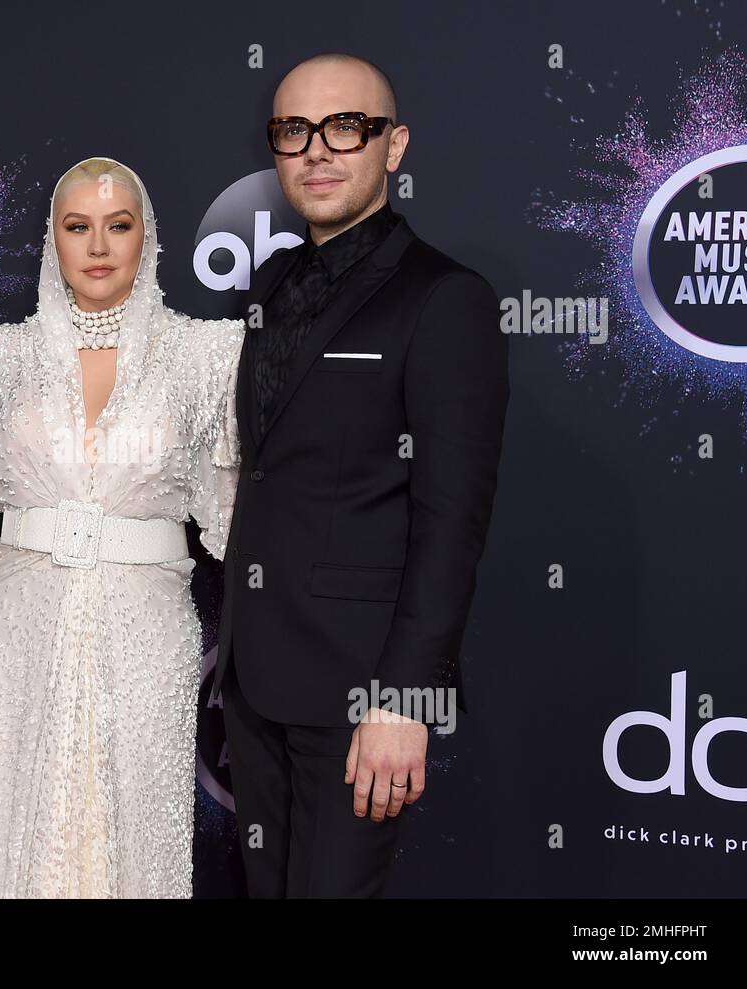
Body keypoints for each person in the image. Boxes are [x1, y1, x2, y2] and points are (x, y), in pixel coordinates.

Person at [0, 157, 244, 898]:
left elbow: (233, 513)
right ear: (52, 239)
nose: (97, 246)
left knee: (136, 841)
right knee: (13, 836)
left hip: (147, 633)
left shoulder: (206, 359)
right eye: (77, 226)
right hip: (14, 628)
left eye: (118, 226)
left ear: (146, 239)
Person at [212, 54, 509, 897]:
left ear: (395, 145)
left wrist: (404, 700)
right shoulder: (271, 284)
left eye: (347, 127)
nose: (317, 150)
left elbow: (451, 522)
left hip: (360, 694)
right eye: (292, 131)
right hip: (255, 680)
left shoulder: (444, 299)